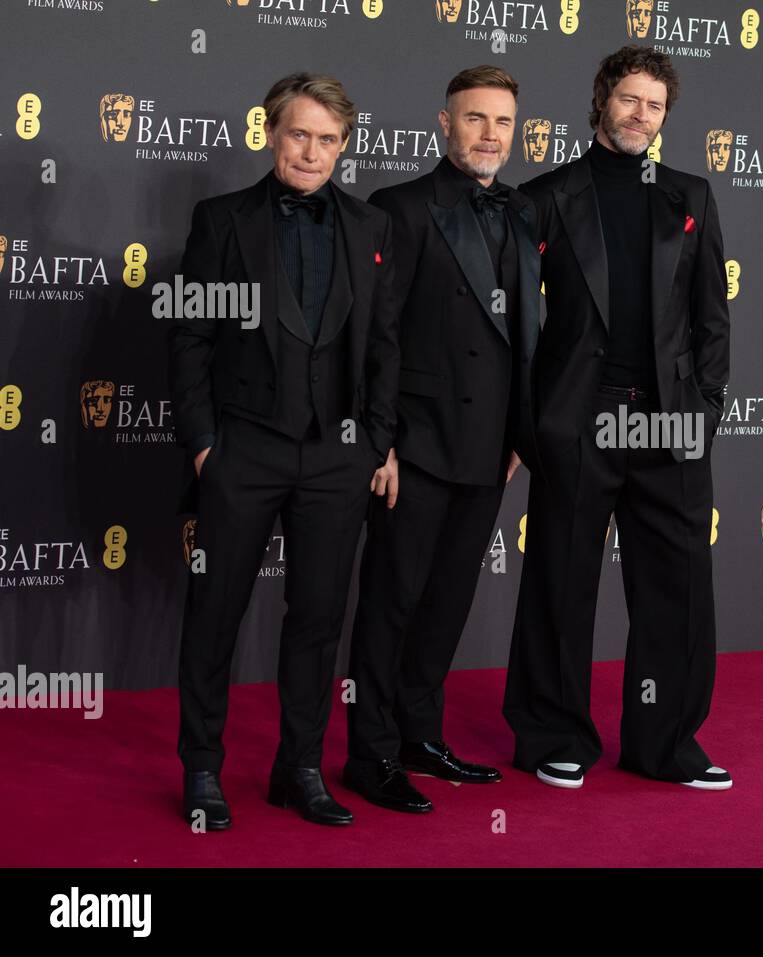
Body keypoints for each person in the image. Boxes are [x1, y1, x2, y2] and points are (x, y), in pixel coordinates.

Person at [168, 72, 398, 828]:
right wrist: (205, 446)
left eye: (328, 139)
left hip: (337, 458)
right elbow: (191, 336)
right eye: (299, 134)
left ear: (343, 146)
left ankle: (298, 766)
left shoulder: (371, 228)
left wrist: (376, 443)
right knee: (215, 613)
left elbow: (385, 348)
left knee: (318, 618)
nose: (312, 150)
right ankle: (203, 768)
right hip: (245, 450)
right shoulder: (222, 219)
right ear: (270, 133)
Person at [504, 46, 732, 790]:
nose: (641, 115)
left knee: (678, 584)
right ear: (602, 100)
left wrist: (704, 409)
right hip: (579, 416)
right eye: (629, 99)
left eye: (655, 105)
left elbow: (711, 321)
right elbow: (512, 324)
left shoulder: (690, 197)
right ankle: (553, 733)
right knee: (560, 578)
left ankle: (666, 742)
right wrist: (531, 419)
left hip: (669, 423)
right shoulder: (544, 196)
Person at [343, 66, 540, 812]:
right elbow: (375, 335)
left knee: (448, 598)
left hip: (490, 444)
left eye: (503, 122)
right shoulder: (400, 208)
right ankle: (371, 752)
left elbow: (527, 333)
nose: (490, 134)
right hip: (415, 442)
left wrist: (522, 427)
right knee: (392, 600)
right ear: (444, 123)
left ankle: (420, 733)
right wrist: (380, 442)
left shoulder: (522, 210)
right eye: (475, 119)